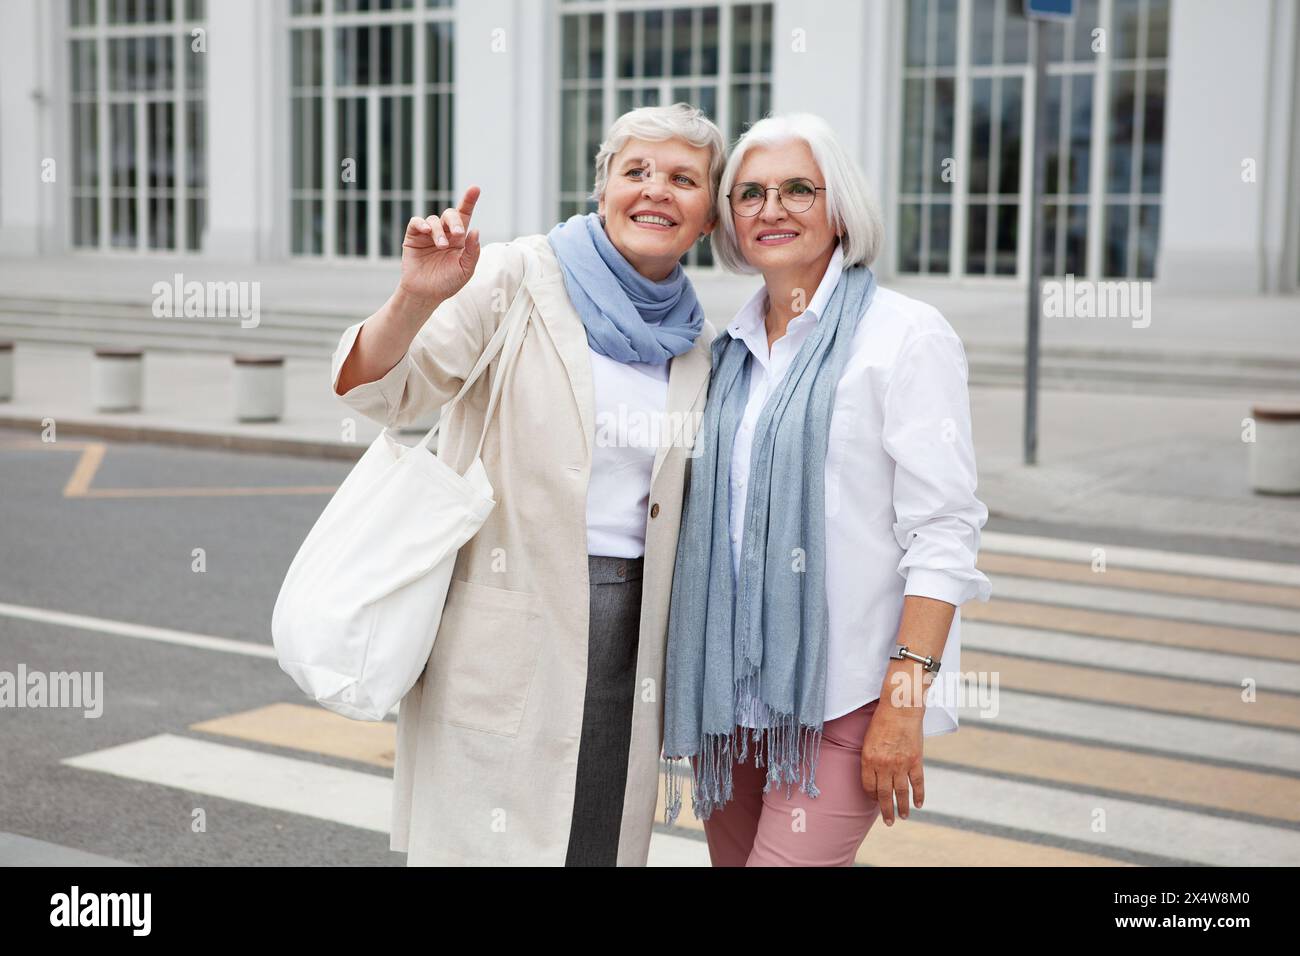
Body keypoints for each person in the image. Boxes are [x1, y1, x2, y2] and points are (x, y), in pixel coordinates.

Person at [332, 103, 725, 865]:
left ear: (707, 218)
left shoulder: (698, 341)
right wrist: (415, 297)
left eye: (684, 179)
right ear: (602, 187)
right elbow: (383, 394)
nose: (656, 191)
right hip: (508, 619)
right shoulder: (517, 275)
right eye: (635, 171)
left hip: (634, 636)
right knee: (489, 847)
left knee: (594, 843)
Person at [662, 112, 993, 866]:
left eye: (797, 189)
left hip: (847, 694)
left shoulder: (905, 337)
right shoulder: (727, 353)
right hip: (733, 702)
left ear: (840, 206)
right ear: (730, 221)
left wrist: (903, 706)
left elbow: (943, 530)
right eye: (749, 194)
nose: (771, 209)